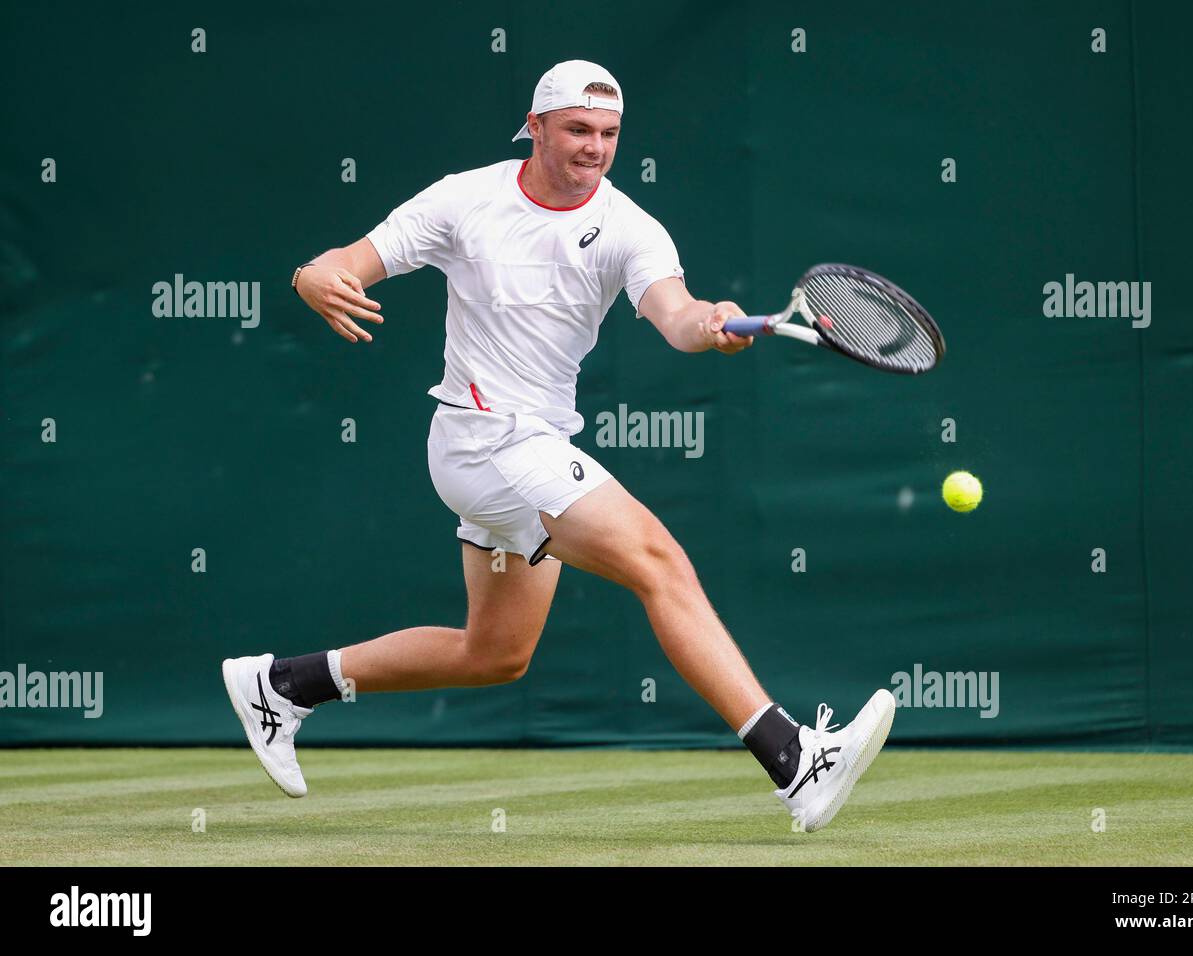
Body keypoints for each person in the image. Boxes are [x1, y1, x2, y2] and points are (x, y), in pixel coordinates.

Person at [222, 59, 894, 832]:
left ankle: (281, 685)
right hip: (486, 439)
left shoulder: (631, 227)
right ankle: (795, 761)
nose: (594, 147)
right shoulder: (462, 199)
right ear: (534, 127)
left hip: (526, 445)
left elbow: (675, 317)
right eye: (578, 129)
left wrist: (710, 324)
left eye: (608, 133)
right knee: (658, 560)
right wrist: (314, 276)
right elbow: (347, 261)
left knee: (495, 654)